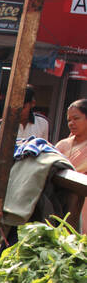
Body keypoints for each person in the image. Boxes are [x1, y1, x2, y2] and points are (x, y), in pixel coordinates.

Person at [55, 99, 87, 233]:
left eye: (76, 118)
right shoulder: (62, 145)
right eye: (69, 120)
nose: (71, 123)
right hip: (61, 204)